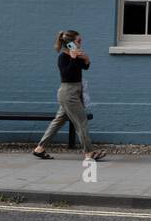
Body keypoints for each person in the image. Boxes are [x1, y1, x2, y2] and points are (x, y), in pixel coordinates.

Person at [33, 30, 105, 162]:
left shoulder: (75, 55)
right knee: (81, 122)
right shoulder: (63, 57)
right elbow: (66, 74)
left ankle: (40, 148)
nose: (81, 42)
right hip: (68, 92)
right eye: (78, 41)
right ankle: (89, 153)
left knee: (58, 121)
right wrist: (72, 58)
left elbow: (84, 67)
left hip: (75, 91)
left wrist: (86, 60)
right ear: (70, 43)